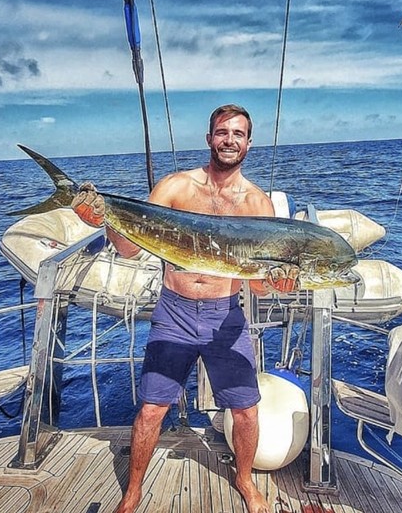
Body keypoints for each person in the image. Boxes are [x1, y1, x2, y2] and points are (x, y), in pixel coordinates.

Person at [71, 104, 299, 513]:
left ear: (249, 143)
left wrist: (276, 283)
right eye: (222, 132)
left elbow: (259, 288)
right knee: (152, 408)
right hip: (173, 312)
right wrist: (101, 218)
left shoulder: (258, 205)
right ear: (209, 137)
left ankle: (244, 480)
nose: (230, 140)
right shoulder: (175, 187)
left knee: (246, 412)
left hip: (224, 316)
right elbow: (127, 246)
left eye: (238, 134)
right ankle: (133, 490)